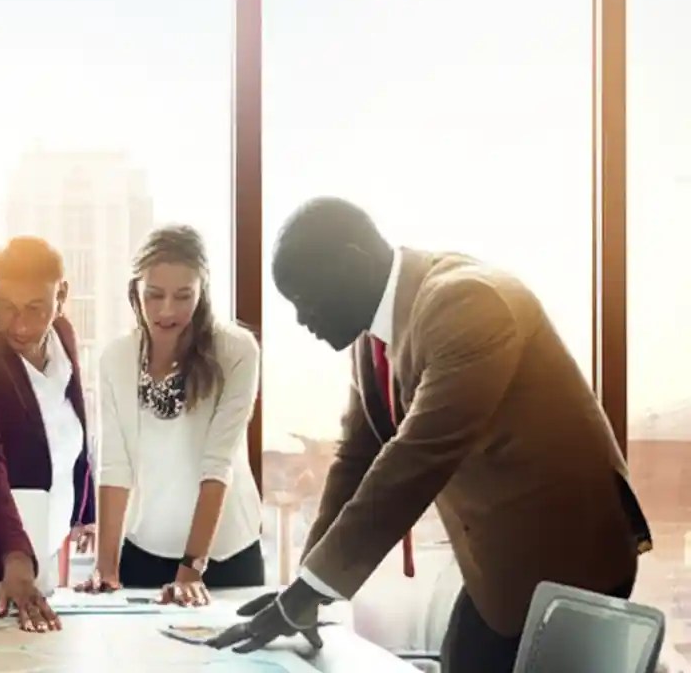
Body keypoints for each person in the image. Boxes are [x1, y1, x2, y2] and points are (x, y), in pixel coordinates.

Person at [210, 197, 652, 673]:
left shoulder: (468, 304)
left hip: (572, 557)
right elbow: (356, 459)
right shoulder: (371, 337)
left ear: (353, 264)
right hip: (498, 565)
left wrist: (310, 591)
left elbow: (411, 464)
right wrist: (306, 584)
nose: (302, 320)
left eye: (306, 299)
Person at [77, 225, 262, 606]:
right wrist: (106, 568)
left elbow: (217, 464)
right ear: (135, 292)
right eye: (154, 295)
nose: (166, 311)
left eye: (183, 296)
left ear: (202, 292)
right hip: (142, 552)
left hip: (224, 558)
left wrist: (190, 572)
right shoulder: (116, 359)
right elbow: (115, 465)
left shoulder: (236, 351)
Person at [0, 236, 96, 633]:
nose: (21, 325)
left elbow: (70, 426)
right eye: (5, 308)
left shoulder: (63, 335)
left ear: (61, 296)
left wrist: (87, 510)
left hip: (47, 557)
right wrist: (14, 555)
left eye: (36, 308)